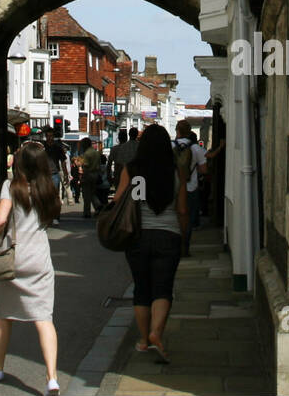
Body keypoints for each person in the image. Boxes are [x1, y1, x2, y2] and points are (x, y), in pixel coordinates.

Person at [0, 140, 61, 394]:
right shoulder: (47, 188)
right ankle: (51, 378)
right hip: (39, 258)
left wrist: (3, 233)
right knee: (44, 318)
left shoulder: (11, 186)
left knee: (4, 316)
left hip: (14, 259)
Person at [110, 123, 188, 363]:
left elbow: (120, 201)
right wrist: (184, 237)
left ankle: (144, 340)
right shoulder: (175, 171)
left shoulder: (132, 171)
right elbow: (182, 210)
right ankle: (157, 332)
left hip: (138, 236)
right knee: (163, 288)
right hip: (168, 235)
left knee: (142, 288)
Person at [174, 121, 208, 251]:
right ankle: (185, 245)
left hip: (175, 188)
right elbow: (204, 170)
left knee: (176, 216)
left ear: (177, 131)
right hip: (191, 187)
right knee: (187, 218)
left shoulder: (171, 146)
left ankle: (176, 243)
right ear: (189, 132)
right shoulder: (196, 148)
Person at [78, 137, 103, 219]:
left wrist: (81, 165)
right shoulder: (96, 153)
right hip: (95, 175)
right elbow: (99, 165)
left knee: (86, 195)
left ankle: (87, 212)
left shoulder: (87, 154)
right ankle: (98, 205)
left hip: (88, 174)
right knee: (92, 192)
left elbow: (86, 164)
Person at [42, 128, 68, 206]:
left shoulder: (58, 147)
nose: (50, 138)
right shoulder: (42, 147)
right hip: (44, 175)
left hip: (54, 174)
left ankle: (55, 214)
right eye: (48, 136)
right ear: (46, 137)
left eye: (51, 136)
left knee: (54, 195)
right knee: (44, 195)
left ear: (53, 137)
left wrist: (66, 175)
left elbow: (63, 162)